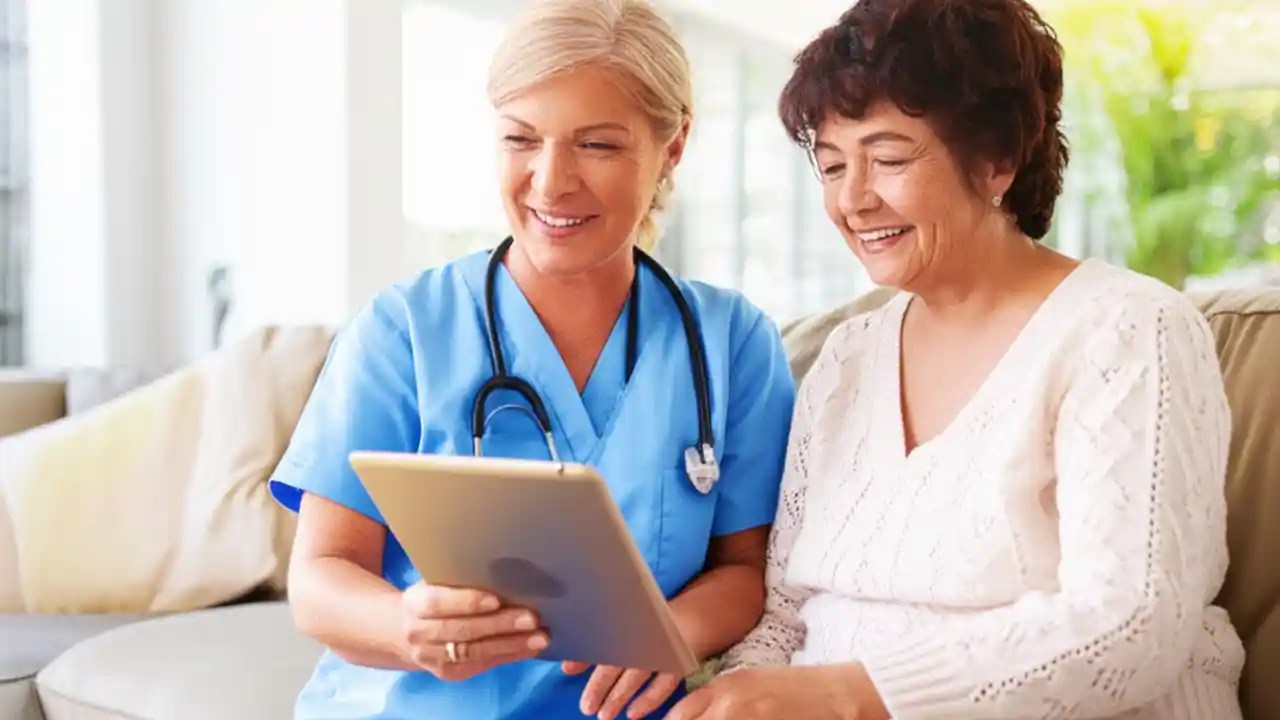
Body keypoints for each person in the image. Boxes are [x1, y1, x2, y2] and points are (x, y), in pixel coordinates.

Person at [668, 0, 1246, 718]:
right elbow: (787, 616)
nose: (854, 198)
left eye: (888, 159)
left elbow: (1130, 622)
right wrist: (735, 697)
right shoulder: (848, 357)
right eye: (832, 165)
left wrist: (852, 694)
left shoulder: (1129, 329)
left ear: (998, 158)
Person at [267, 1, 796, 718]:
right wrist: (406, 626)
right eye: (522, 139)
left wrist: (675, 630)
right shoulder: (404, 331)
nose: (551, 182)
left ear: (672, 148)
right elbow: (322, 578)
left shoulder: (732, 345)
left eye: (598, 146)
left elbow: (743, 571)